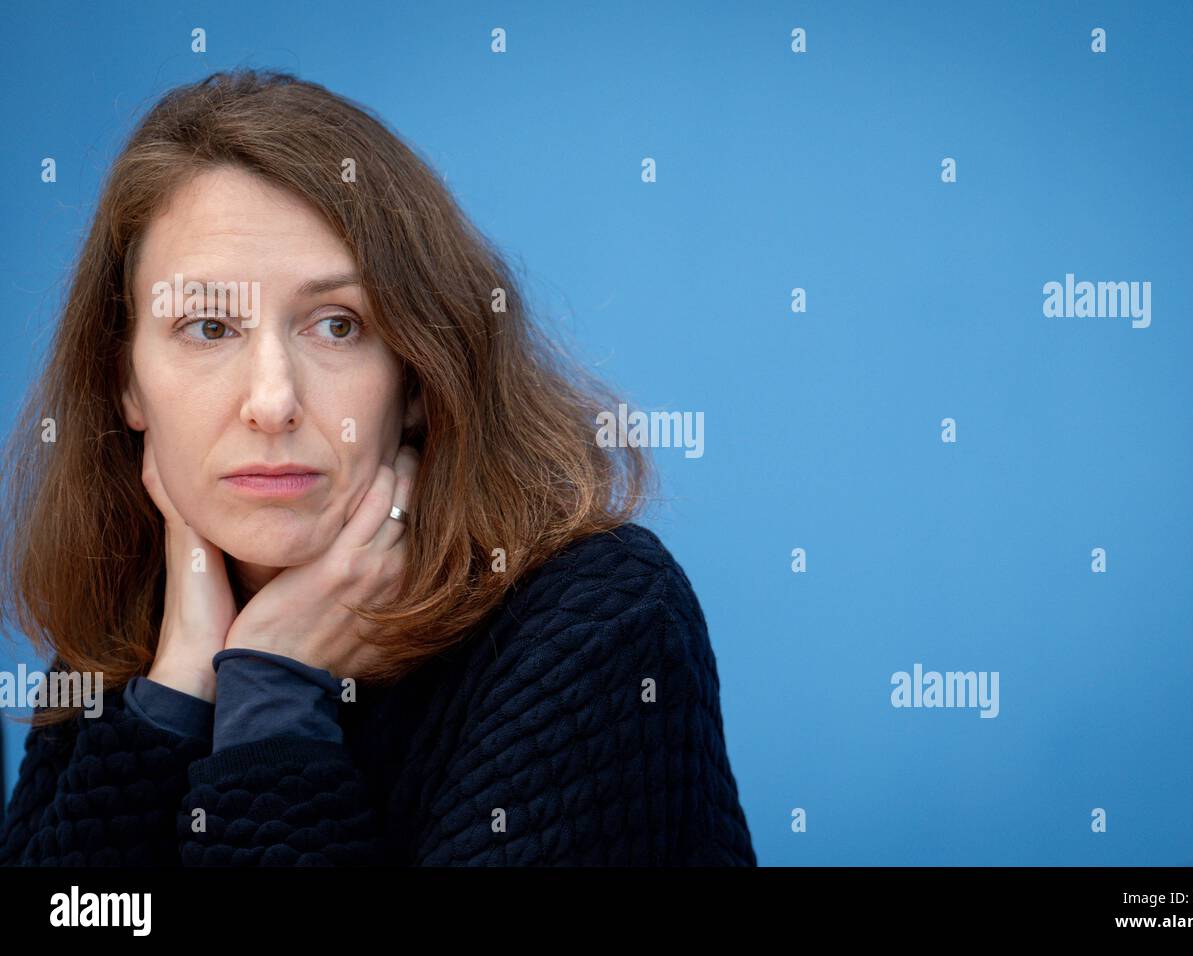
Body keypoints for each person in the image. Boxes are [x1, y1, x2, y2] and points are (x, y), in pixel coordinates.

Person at [0, 69, 756, 866]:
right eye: (207, 327)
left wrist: (273, 700)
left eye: (336, 325)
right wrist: (179, 692)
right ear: (127, 382)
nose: (271, 401)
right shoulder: (129, 642)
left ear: (419, 374)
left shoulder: (602, 622)